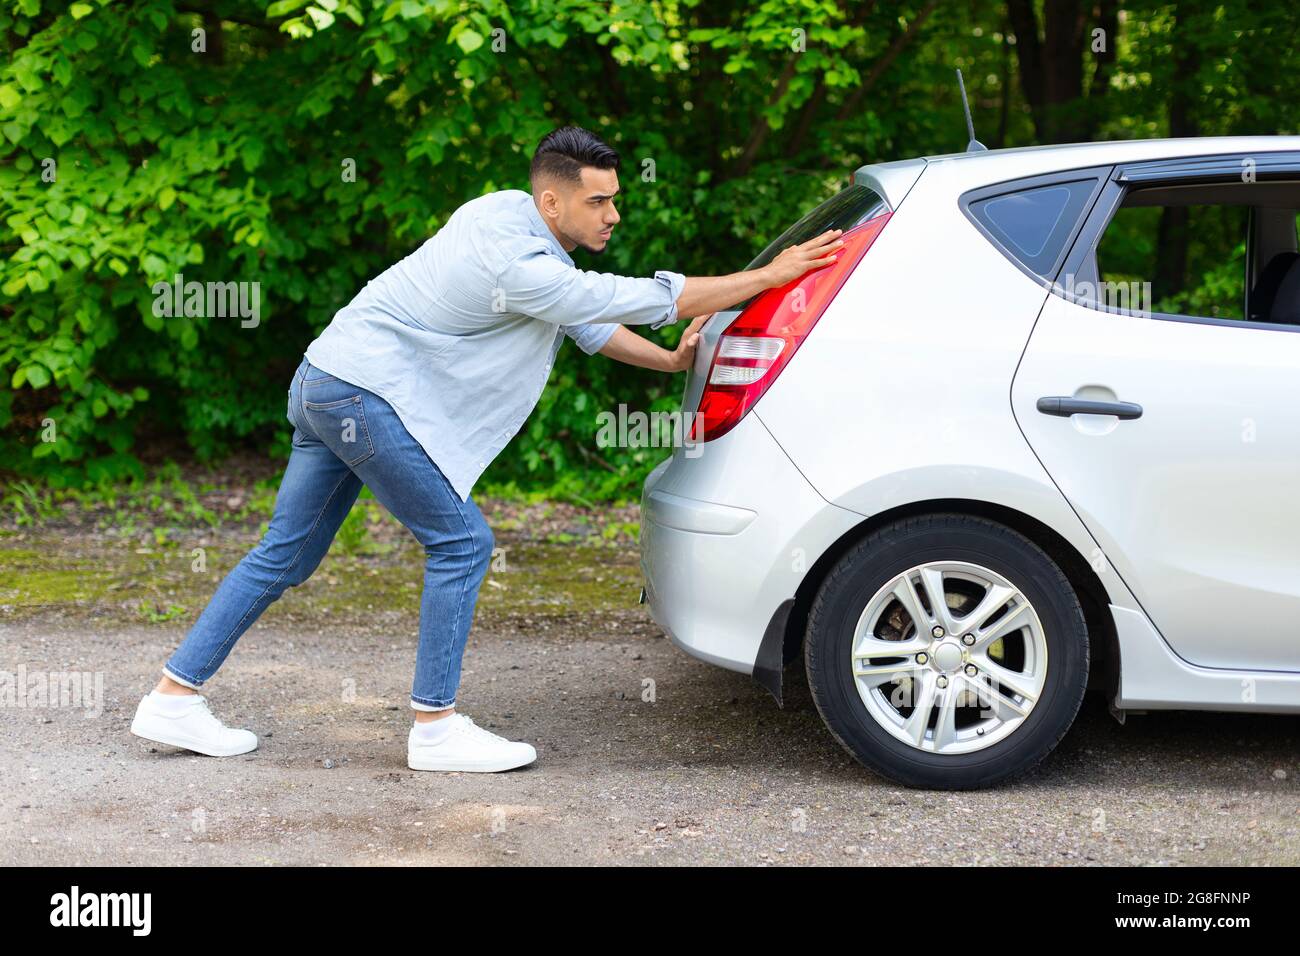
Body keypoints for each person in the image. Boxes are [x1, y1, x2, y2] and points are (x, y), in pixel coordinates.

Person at [129, 125, 843, 772]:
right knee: (464, 543)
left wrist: (668, 362)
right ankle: (435, 727)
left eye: (614, 199)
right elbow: (622, 297)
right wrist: (767, 277)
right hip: (360, 397)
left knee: (285, 553)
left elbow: (584, 319)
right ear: (552, 201)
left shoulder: (509, 213)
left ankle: (172, 696)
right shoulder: (516, 264)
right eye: (598, 202)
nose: (614, 215)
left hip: (327, 380)